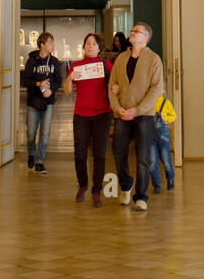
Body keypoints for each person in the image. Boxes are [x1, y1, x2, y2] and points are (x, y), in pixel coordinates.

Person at [108, 22, 163, 212]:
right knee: (118, 153)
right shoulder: (121, 58)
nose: (132, 33)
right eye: (132, 31)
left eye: (136, 31)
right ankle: (125, 186)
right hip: (122, 113)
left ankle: (141, 196)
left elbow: (156, 89)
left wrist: (138, 110)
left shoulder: (154, 59)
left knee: (143, 157)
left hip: (144, 115)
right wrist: (118, 108)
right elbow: (112, 86)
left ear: (146, 37)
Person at [63, 33, 113, 206]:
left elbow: (115, 86)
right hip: (81, 115)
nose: (90, 46)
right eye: (88, 43)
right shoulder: (76, 66)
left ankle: (96, 190)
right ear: (83, 46)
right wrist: (70, 78)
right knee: (79, 153)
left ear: (99, 48)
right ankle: (82, 184)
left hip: (102, 115)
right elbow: (68, 91)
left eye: (94, 43)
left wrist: (116, 89)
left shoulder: (106, 65)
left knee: (99, 154)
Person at [22, 32, 61, 173]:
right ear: (42, 45)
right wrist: (39, 84)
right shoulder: (32, 61)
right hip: (33, 101)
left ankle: (40, 161)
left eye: (53, 42)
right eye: (50, 43)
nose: (53, 45)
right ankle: (31, 152)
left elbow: (58, 80)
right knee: (31, 132)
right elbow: (25, 81)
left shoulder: (55, 62)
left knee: (45, 133)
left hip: (48, 102)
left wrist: (52, 89)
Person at [149, 94, 175, 193]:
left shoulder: (166, 103)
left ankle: (170, 179)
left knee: (166, 160)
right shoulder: (149, 103)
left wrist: (166, 118)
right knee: (152, 161)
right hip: (150, 136)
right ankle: (156, 184)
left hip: (163, 137)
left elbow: (174, 116)